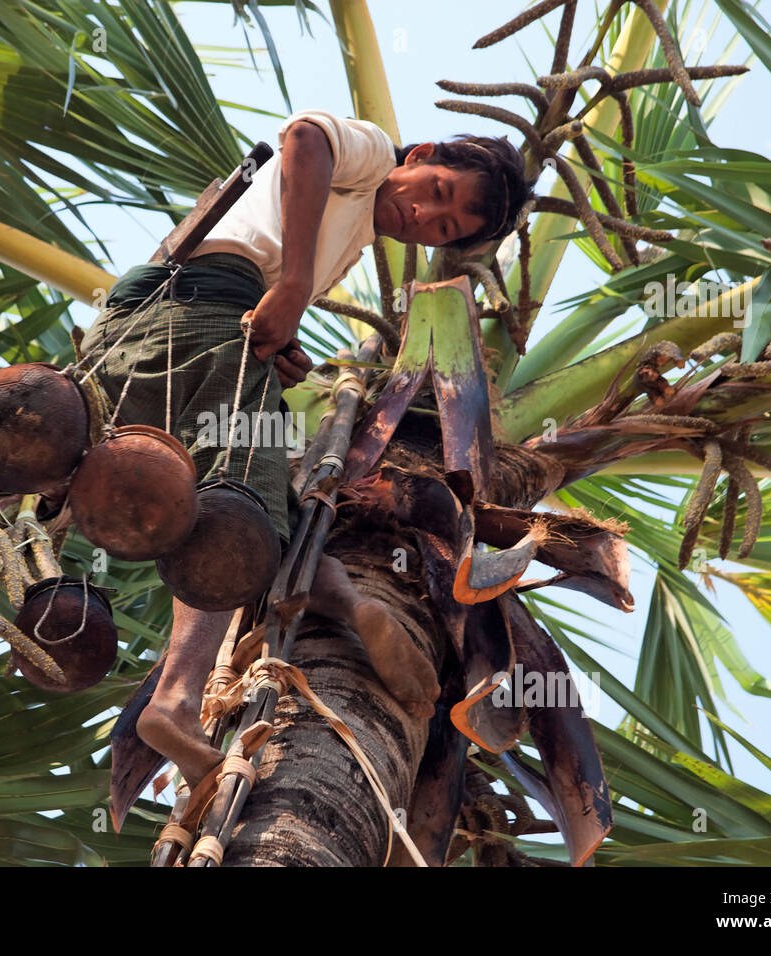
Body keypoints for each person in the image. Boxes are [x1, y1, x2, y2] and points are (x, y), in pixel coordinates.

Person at [81, 109, 532, 787]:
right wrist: (292, 288)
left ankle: (349, 604)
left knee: (267, 518)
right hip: (199, 310)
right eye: (436, 190)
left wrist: (281, 335)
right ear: (423, 153)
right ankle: (175, 700)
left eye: (443, 228)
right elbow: (304, 139)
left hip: (156, 329)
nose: (421, 215)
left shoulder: (345, 229)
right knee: (240, 514)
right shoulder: (374, 152)